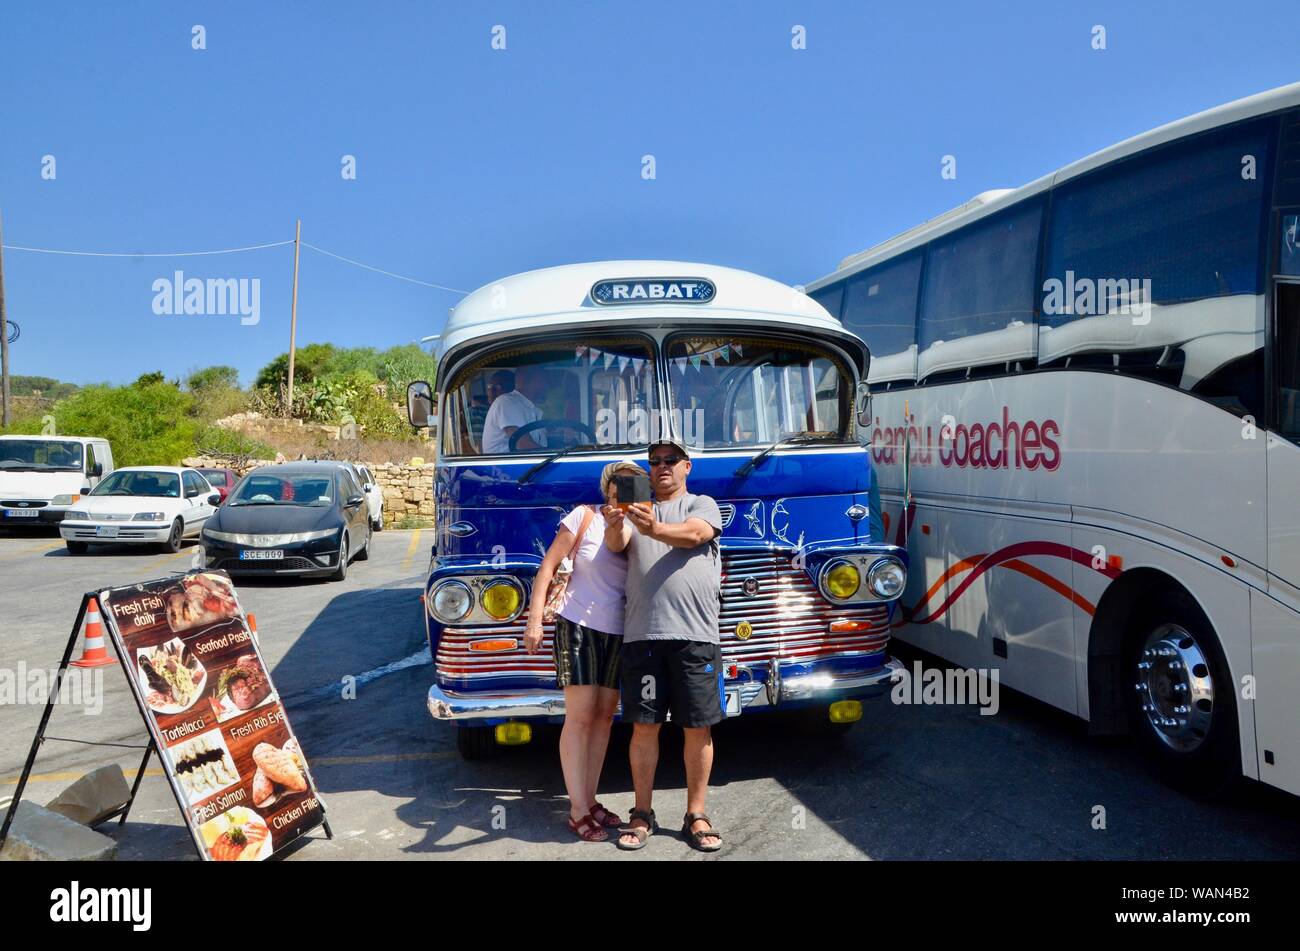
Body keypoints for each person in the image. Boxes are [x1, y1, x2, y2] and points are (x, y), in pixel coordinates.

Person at [603, 437, 725, 852]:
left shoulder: (701, 504)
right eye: (654, 461)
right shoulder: (634, 510)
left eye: (671, 460)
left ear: (687, 466)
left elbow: (695, 535)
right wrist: (617, 523)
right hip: (644, 637)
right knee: (644, 727)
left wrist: (653, 527)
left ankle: (697, 813)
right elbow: (616, 547)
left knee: (697, 726)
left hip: (695, 636)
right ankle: (642, 813)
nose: (662, 466)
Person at [524, 460, 644, 842]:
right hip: (578, 625)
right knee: (578, 717)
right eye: (619, 483)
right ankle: (577, 810)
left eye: (633, 484)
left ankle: (589, 800)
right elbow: (548, 567)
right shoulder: (583, 516)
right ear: (607, 487)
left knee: (604, 717)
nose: (623, 490)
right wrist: (534, 619)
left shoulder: (641, 526)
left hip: (618, 631)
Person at [482, 368, 547, 454]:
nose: (547, 386)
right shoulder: (506, 402)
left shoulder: (528, 407)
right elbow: (524, 446)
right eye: (543, 380)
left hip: (529, 465)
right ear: (529, 382)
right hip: (503, 466)